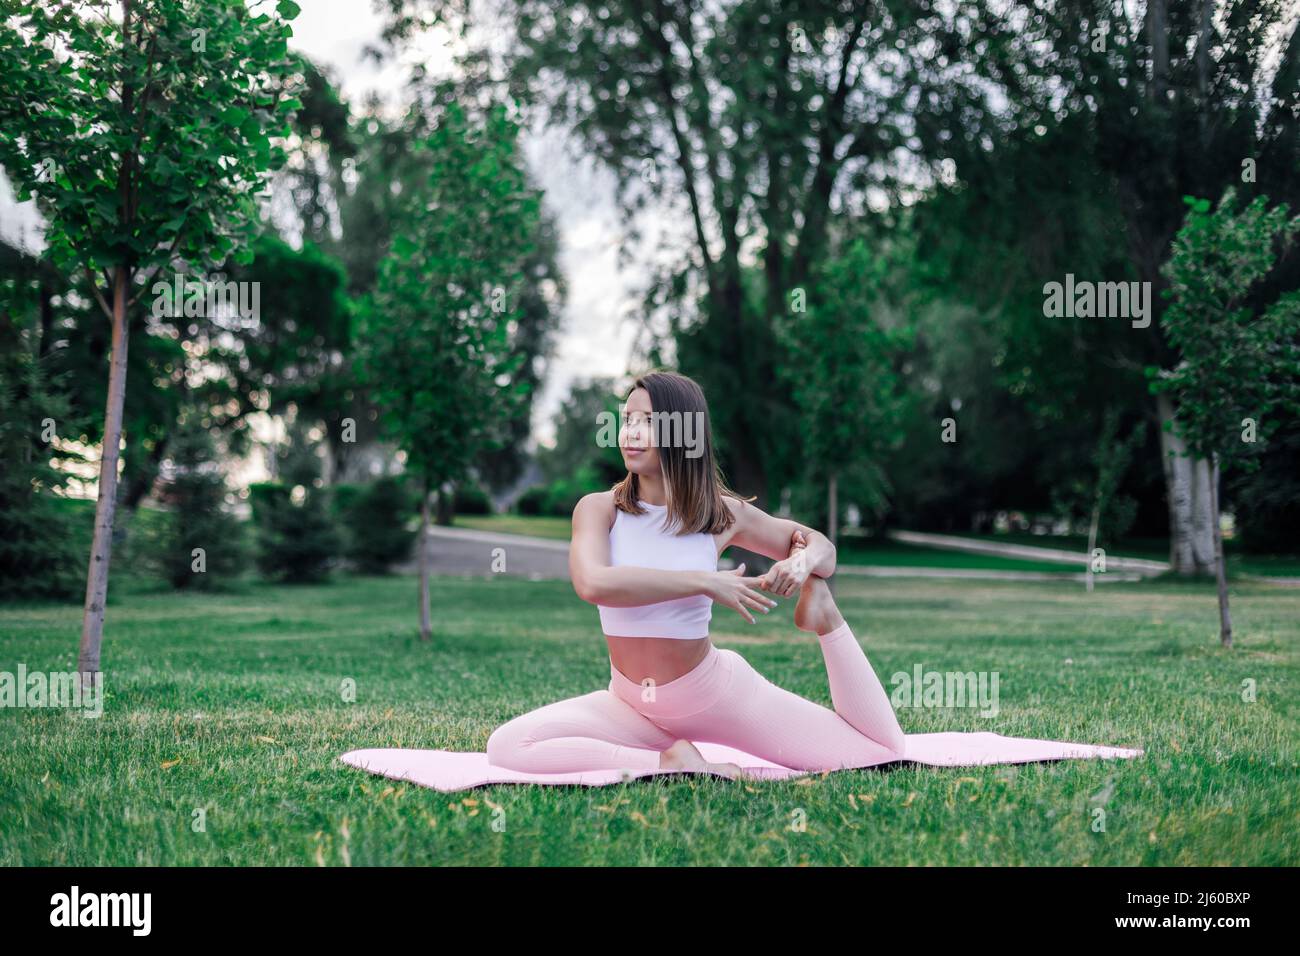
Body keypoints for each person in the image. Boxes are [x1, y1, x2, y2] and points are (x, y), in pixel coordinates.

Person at [485, 370, 906, 779]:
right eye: (627, 419)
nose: (631, 432)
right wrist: (704, 581)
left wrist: (800, 565)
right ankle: (670, 762)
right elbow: (592, 584)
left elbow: (822, 549)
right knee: (507, 746)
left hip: (714, 696)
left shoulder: (719, 514)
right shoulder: (600, 510)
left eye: (648, 422)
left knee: (880, 752)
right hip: (633, 704)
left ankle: (825, 617)